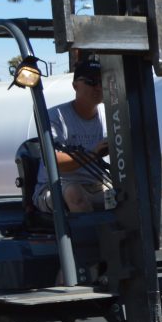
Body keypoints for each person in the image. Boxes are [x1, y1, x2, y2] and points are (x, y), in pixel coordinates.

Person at [32, 57, 110, 213]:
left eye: (102, 82)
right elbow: (54, 161)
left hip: (97, 186)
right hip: (56, 187)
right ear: (75, 86)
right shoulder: (55, 116)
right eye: (91, 82)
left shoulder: (111, 116)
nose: (98, 87)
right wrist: (94, 154)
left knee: (136, 192)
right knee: (74, 193)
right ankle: (89, 237)